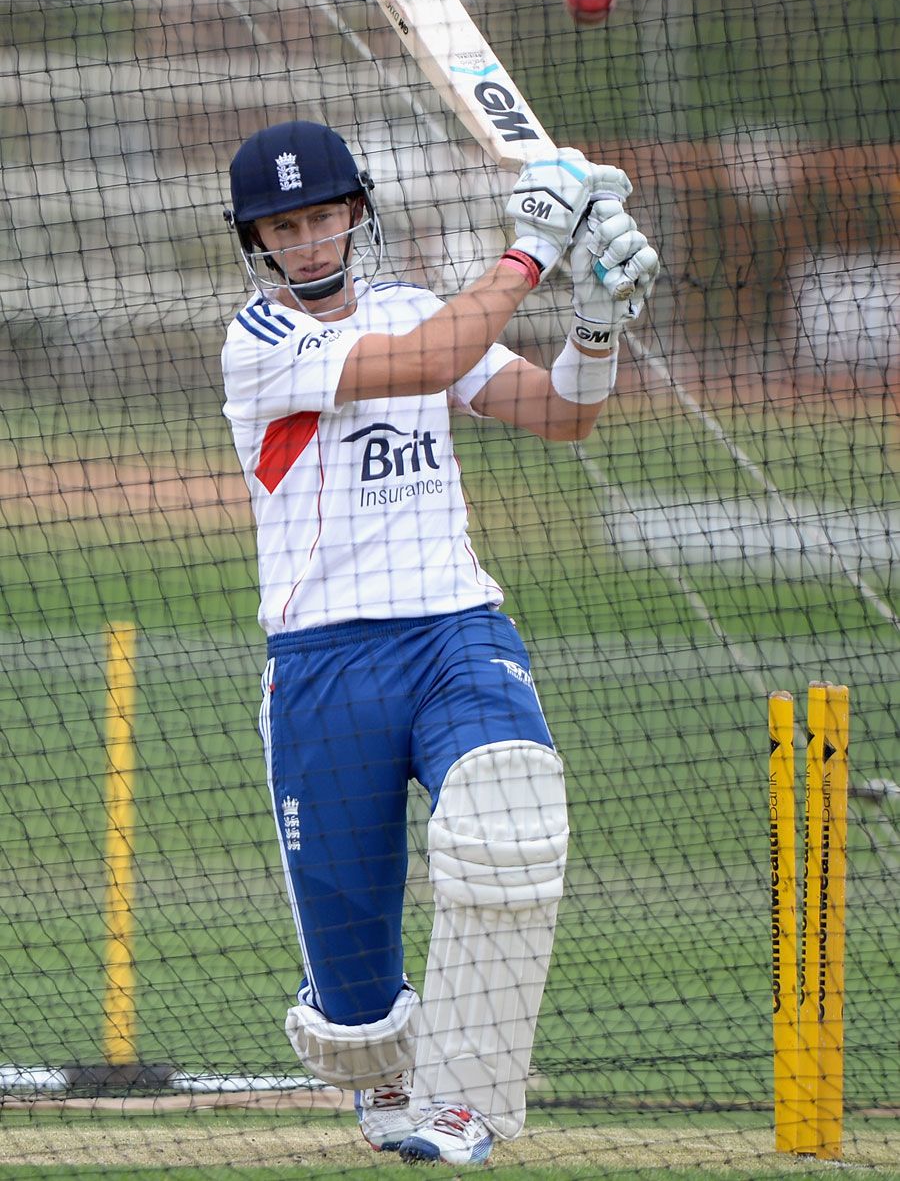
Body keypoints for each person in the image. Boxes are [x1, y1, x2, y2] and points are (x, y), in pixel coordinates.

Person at [221, 120, 658, 1166]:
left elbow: (559, 416)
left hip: (455, 627)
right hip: (325, 660)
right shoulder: (262, 342)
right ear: (259, 240)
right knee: (358, 1006)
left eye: (327, 214)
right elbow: (432, 360)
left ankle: (468, 1098)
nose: (313, 240)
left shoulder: (419, 303)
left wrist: (593, 325)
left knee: (511, 807)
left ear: (357, 213)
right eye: (288, 225)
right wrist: (529, 253)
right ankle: (385, 1061)